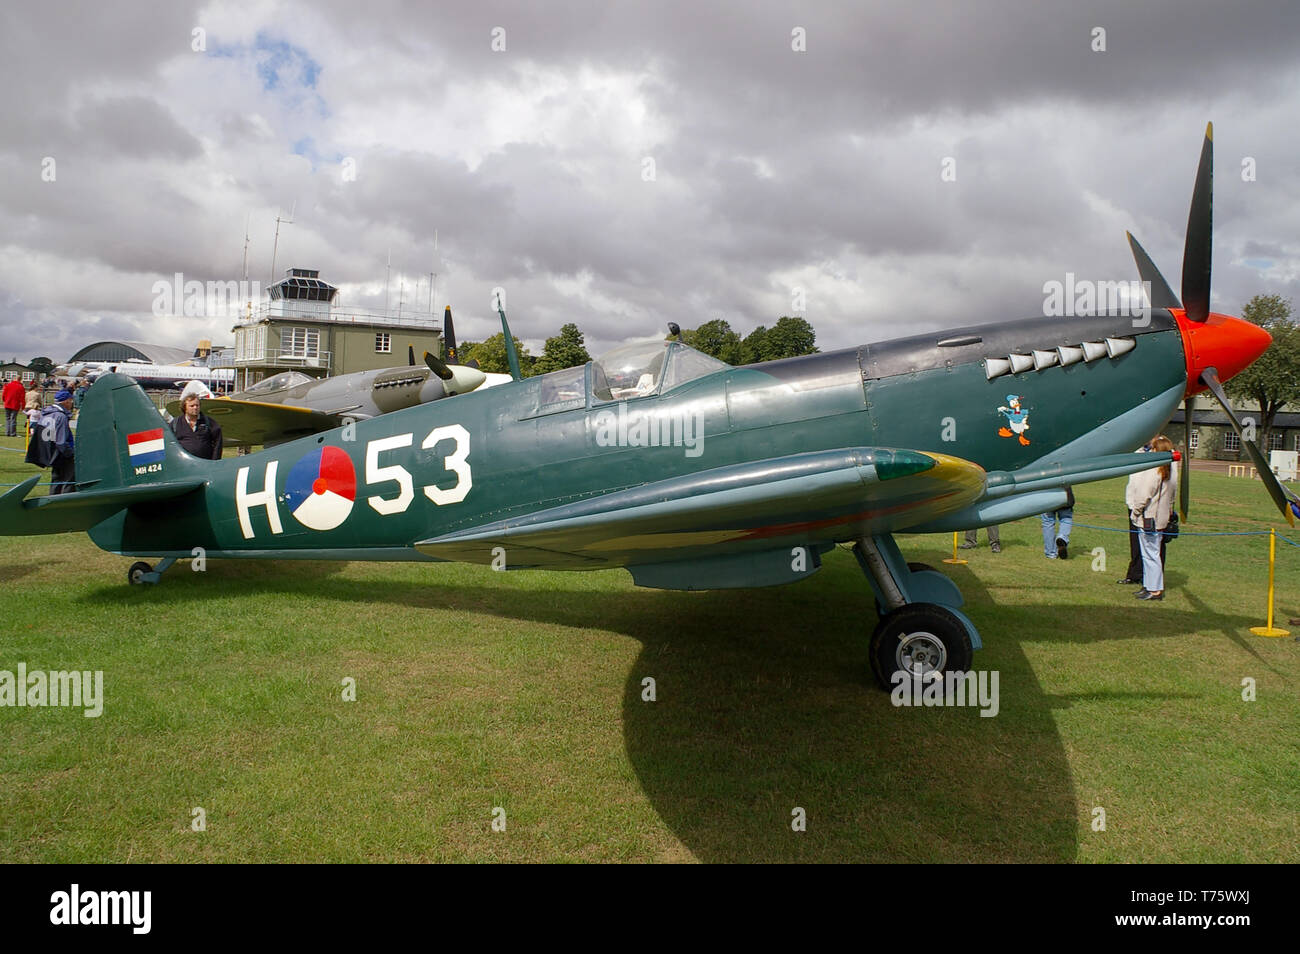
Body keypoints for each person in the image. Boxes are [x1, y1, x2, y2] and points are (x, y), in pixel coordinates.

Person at [1129, 435, 1178, 601]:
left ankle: (1155, 589)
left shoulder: (1155, 470)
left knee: (1150, 555)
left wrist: (1136, 510)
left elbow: (1144, 494)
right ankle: (1150, 586)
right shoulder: (1170, 471)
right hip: (1161, 518)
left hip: (1149, 518)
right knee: (1151, 554)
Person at [26, 389, 76, 494]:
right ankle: (63, 504)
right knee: (68, 481)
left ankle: (53, 499)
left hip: (51, 453)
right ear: (66, 401)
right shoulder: (61, 416)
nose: (72, 403)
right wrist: (71, 454)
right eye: (71, 401)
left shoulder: (46, 414)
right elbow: (61, 441)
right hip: (62, 454)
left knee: (56, 481)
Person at [171, 381, 223, 459]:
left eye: (197, 405)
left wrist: (215, 461)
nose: (195, 408)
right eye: (192, 406)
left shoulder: (209, 422)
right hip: (184, 465)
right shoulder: (175, 424)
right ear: (185, 407)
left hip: (205, 464)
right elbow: (170, 444)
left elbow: (218, 442)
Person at [1042, 486, 1075, 558]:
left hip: (1047, 496)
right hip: (1065, 495)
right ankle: (1062, 537)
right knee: (1066, 518)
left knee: (1048, 522)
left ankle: (1051, 553)